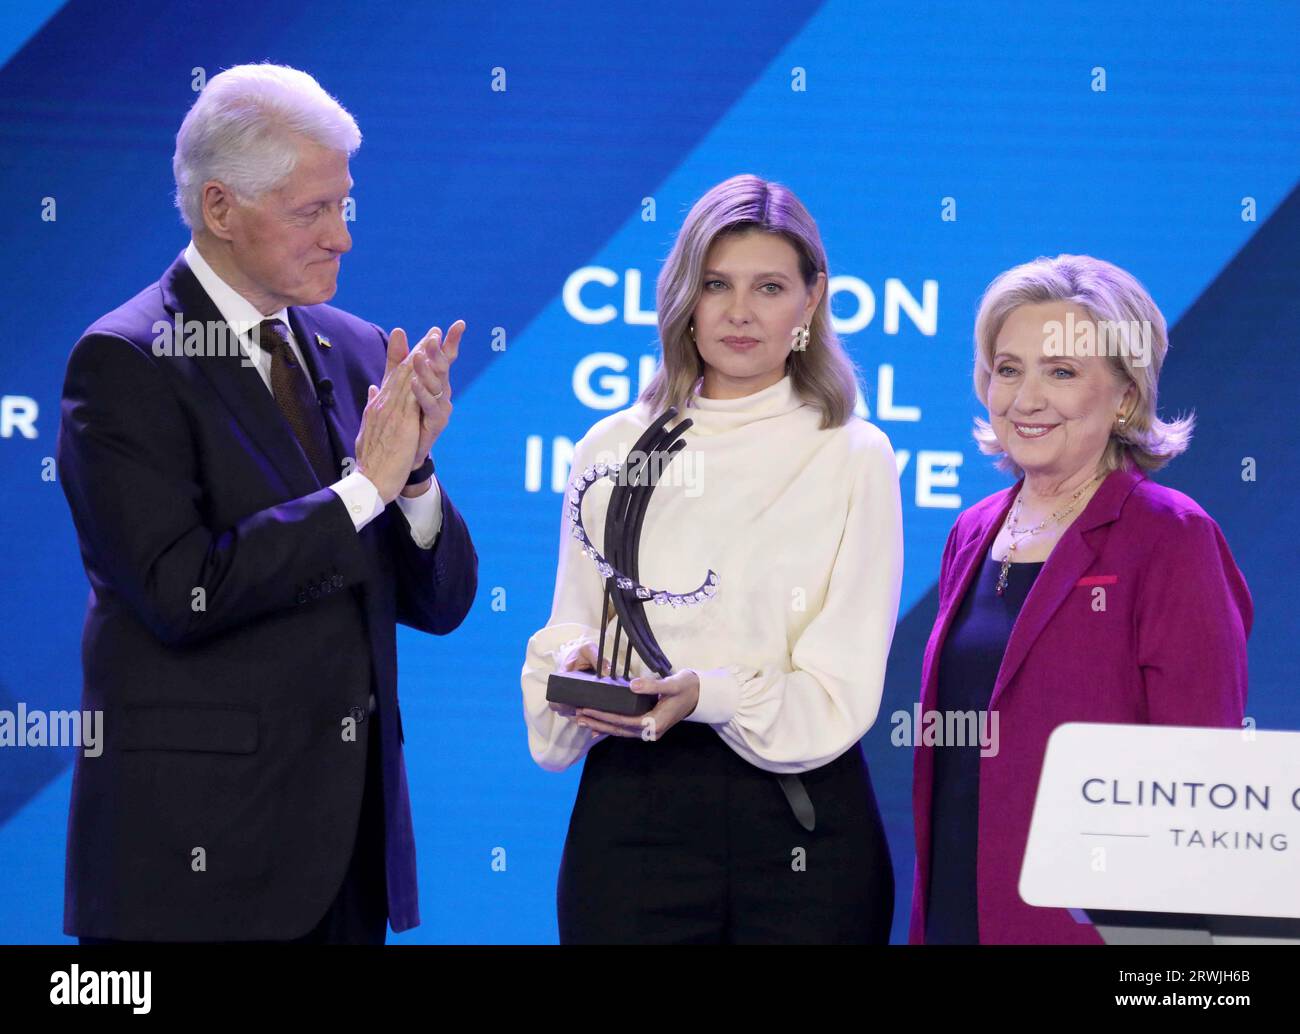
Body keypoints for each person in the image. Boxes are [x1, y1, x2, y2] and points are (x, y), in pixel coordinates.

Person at [57, 63, 477, 944]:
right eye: (311, 212)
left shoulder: (360, 350)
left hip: (346, 860)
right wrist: (361, 487)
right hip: (196, 863)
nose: (342, 240)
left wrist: (411, 480)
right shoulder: (127, 362)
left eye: (343, 207)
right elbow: (181, 591)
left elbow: (440, 605)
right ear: (220, 208)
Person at [521, 174, 903, 943]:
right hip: (634, 814)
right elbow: (571, 622)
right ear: (682, 297)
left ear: (811, 298)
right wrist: (577, 668)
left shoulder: (854, 454)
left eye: (769, 287)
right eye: (716, 284)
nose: (738, 312)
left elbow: (841, 683)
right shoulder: (615, 446)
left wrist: (709, 692)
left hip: (802, 822)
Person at [910, 254, 1252, 945]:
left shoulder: (1171, 537)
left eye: (1060, 372)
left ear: (1124, 396)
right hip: (954, 912)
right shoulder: (972, 531)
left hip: (1093, 933)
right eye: (1009, 369)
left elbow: (1200, 778)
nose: (1025, 399)